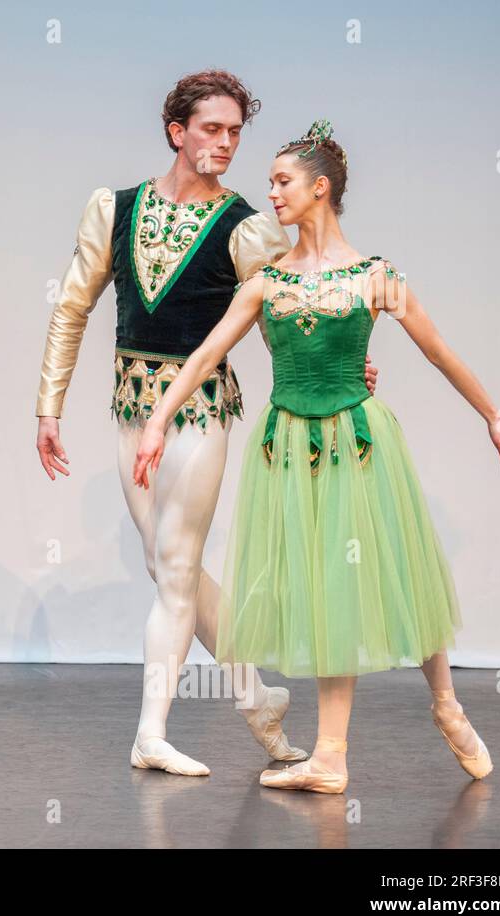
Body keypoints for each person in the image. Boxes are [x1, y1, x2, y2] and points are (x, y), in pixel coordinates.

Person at [132, 120, 500, 793]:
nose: (272, 192)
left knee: (400, 571)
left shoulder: (374, 276)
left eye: (283, 181)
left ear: (321, 189)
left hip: (359, 443)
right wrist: (158, 420)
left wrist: (494, 414)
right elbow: (205, 355)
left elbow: (437, 349)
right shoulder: (268, 282)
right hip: (290, 447)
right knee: (326, 593)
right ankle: (331, 756)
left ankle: (447, 704)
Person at [35, 70, 380, 775]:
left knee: (175, 566)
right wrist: (49, 404)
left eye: (234, 133)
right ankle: (256, 697)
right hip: (133, 408)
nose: (225, 143)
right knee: (170, 569)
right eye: (212, 130)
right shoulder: (116, 208)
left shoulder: (246, 227)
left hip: (199, 413)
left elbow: (290, 303)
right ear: (177, 132)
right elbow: (72, 307)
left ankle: (150, 733)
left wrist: (338, 366)